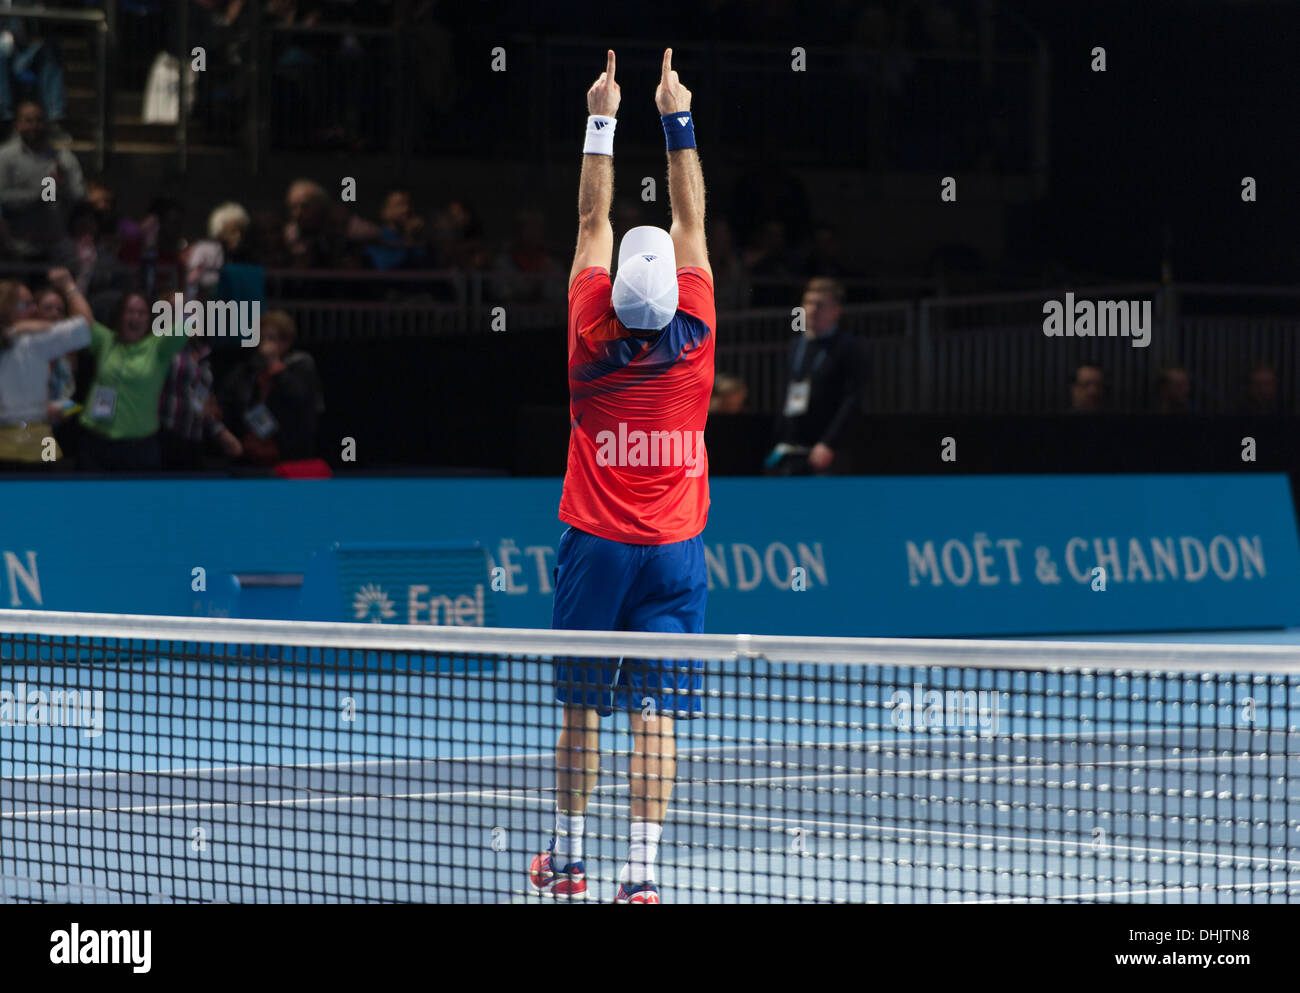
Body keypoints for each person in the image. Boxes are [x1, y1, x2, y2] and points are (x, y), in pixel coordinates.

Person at [529, 49, 715, 906]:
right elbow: (692, 220)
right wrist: (675, 115)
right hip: (675, 553)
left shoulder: (585, 342)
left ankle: (569, 858)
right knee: (657, 718)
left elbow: (591, 221)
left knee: (582, 712)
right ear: (677, 295)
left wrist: (601, 116)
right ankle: (640, 873)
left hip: (597, 549)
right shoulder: (700, 340)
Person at [78, 291, 190, 471]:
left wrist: (188, 290)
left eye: (141, 312)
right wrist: (71, 288)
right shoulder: (106, 340)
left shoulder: (158, 346)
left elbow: (184, 327)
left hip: (138, 449)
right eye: (129, 311)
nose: (135, 317)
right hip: (95, 443)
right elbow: (82, 322)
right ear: (119, 315)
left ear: (149, 319)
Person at [765, 277, 866, 474]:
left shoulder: (849, 347)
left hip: (826, 452)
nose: (811, 310)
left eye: (819, 305)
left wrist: (829, 443)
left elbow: (853, 399)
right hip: (791, 448)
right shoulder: (796, 345)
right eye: (808, 303)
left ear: (836, 310)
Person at [0, 270, 91, 469]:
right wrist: (68, 285)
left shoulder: (39, 340)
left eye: (33, 303)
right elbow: (86, 324)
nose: (33, 310)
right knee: (42, 493)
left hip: (45, 436)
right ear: (6, 308)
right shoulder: (35, 341)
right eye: (26, 304)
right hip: (32, 438)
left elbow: (75, 399)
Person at [217, 309, 324, 465]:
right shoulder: (248, 369)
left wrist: (274, 365)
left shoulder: (301, 365)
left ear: (286, 342)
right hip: (249, 453)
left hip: (287, 454)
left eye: (271, 339)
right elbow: (227, 400)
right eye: (262, 338)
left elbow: (301, 399)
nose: (265, 344)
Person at [0, 101, 84, 265]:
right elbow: (2, 197)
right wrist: (39, 194)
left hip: (57, 247)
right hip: (16, 247)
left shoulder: (64, 158)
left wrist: (63, 187)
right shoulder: (4, 157)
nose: (34, 126)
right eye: (28, 120)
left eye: (39, 120)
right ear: (17, 125)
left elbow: (80, 196)